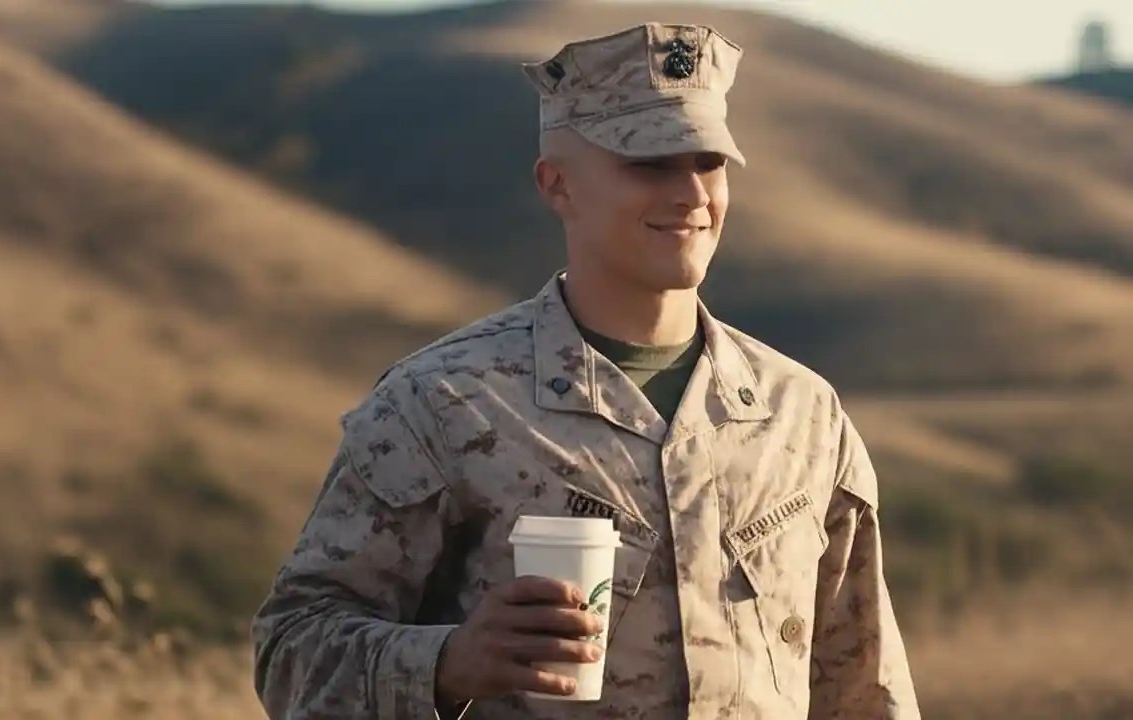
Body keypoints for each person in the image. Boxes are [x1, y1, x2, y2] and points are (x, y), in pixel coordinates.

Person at [251, 21, 921, 719]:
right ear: (558, 186)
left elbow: (865, 686)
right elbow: (291, 653)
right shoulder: (444, 405)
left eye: (709, 161)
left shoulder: (800, 414)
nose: (692, 193)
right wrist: (448, 664)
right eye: (651, 163)